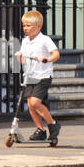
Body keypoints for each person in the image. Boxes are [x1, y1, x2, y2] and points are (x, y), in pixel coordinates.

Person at [16, 10, 60, 142]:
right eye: (24, 25)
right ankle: (40, 129)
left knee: (35, 102)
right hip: (30, 76)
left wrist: (47, 59)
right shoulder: (25, 41)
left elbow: (56, 54)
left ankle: (53, 124)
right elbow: (24, 59)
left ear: (39, 26)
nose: (25, 28)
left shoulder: (44, 40)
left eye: (28, 26)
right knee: (30, 105)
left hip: (43, 76)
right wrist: (20, 57)